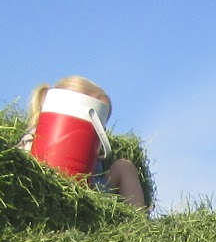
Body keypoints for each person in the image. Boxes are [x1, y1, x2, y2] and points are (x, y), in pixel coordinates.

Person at [20, 75, 147, 210]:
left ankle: (138, 225)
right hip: (52, 189)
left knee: (125, 167)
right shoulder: (38, 135)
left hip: (93, 193)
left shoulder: (96, 144)